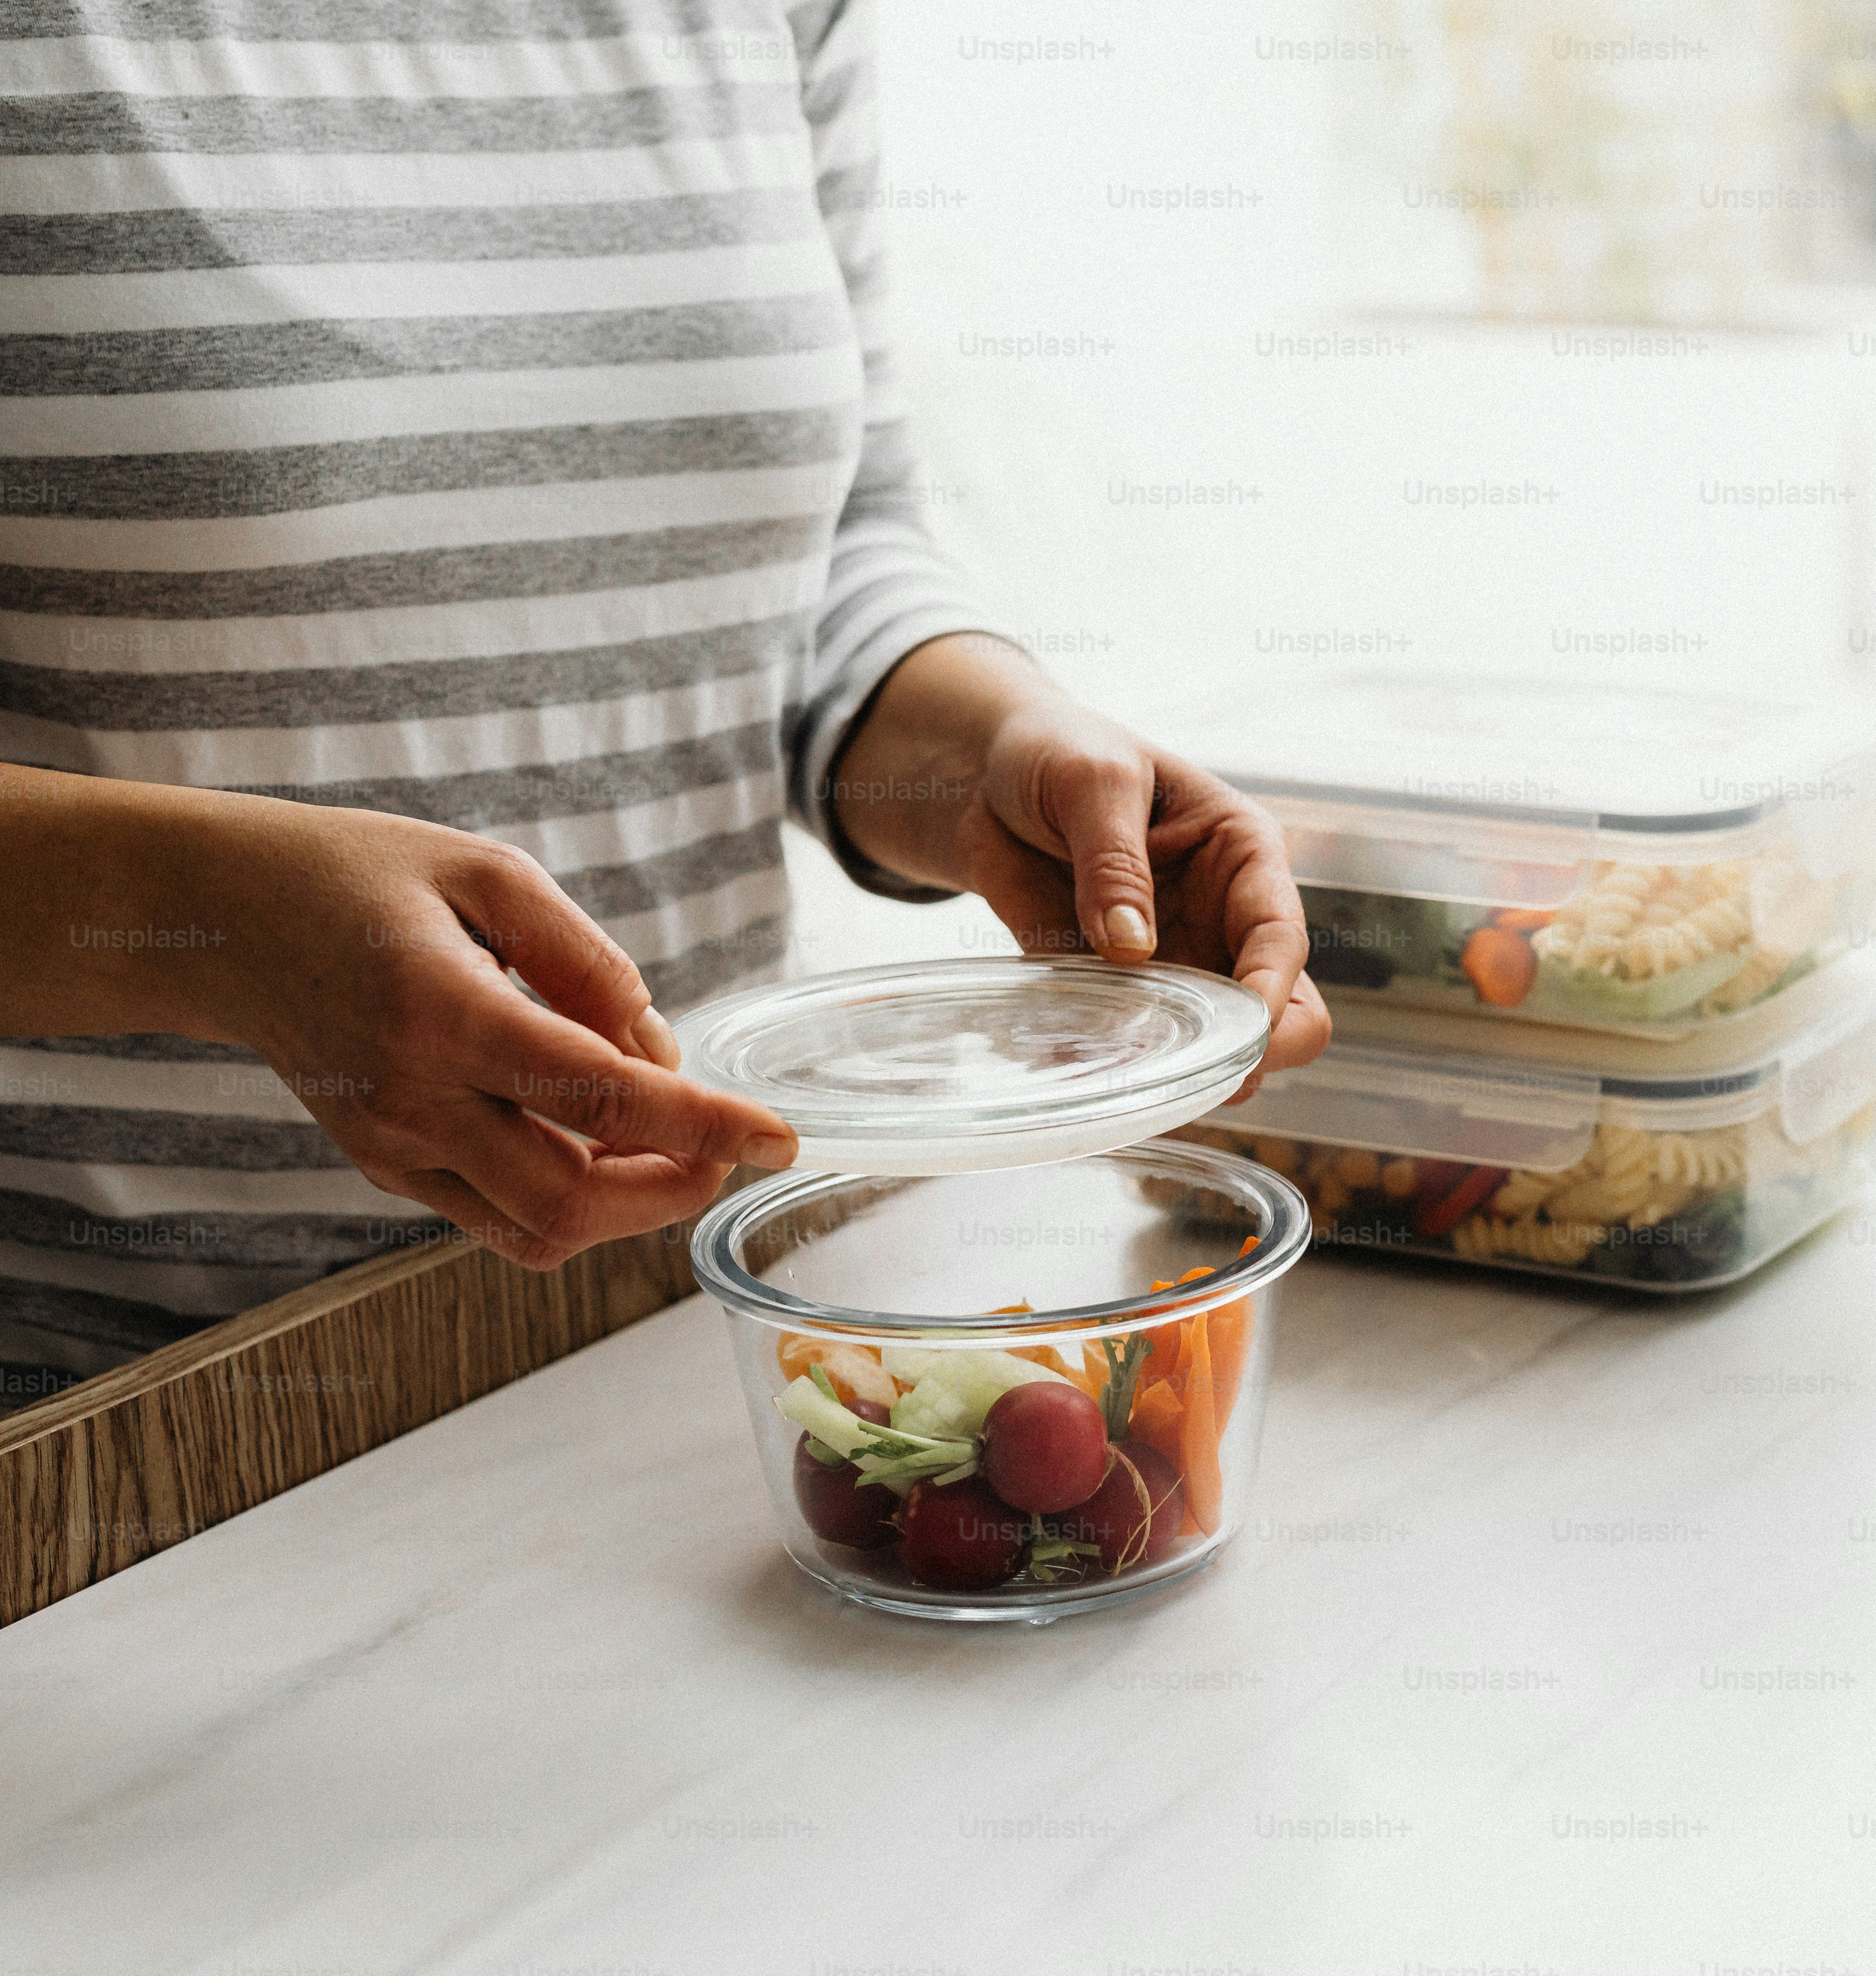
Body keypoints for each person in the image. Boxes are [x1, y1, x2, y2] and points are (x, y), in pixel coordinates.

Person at [0, 4, 1328, 1398]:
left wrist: (997, 746)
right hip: (110, 1411)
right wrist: (222, 931)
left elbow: (833, 541)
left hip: (694, 1311)